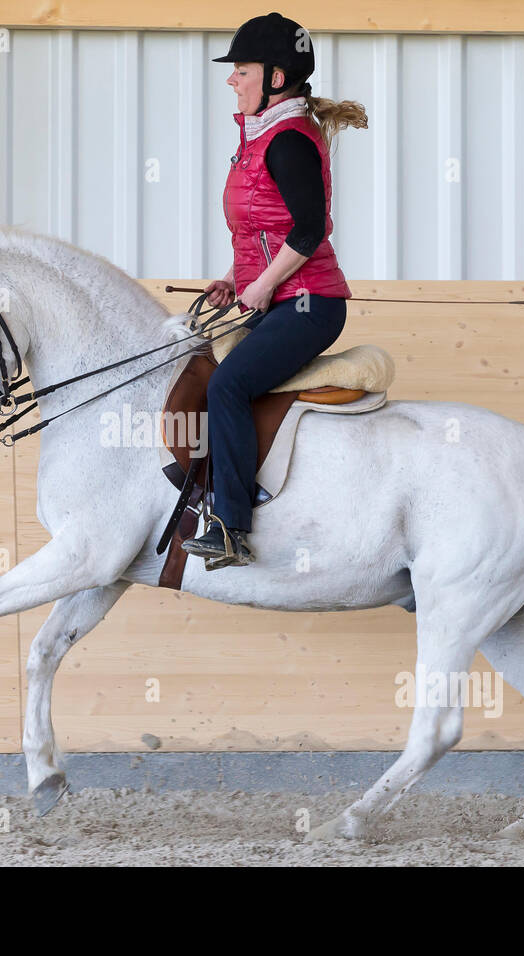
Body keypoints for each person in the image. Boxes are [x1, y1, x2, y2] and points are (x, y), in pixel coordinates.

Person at [182, 11, 367, 568]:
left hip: (309, 304)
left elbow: (310, 230)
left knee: (229, 387)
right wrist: (235, 280)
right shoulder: (260, 139)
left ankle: (232, 527)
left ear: (276, 79)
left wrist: (262, 284)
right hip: (278, 293)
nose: (232, 80)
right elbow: (262, 229)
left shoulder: (287, 142)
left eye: (242, 70)